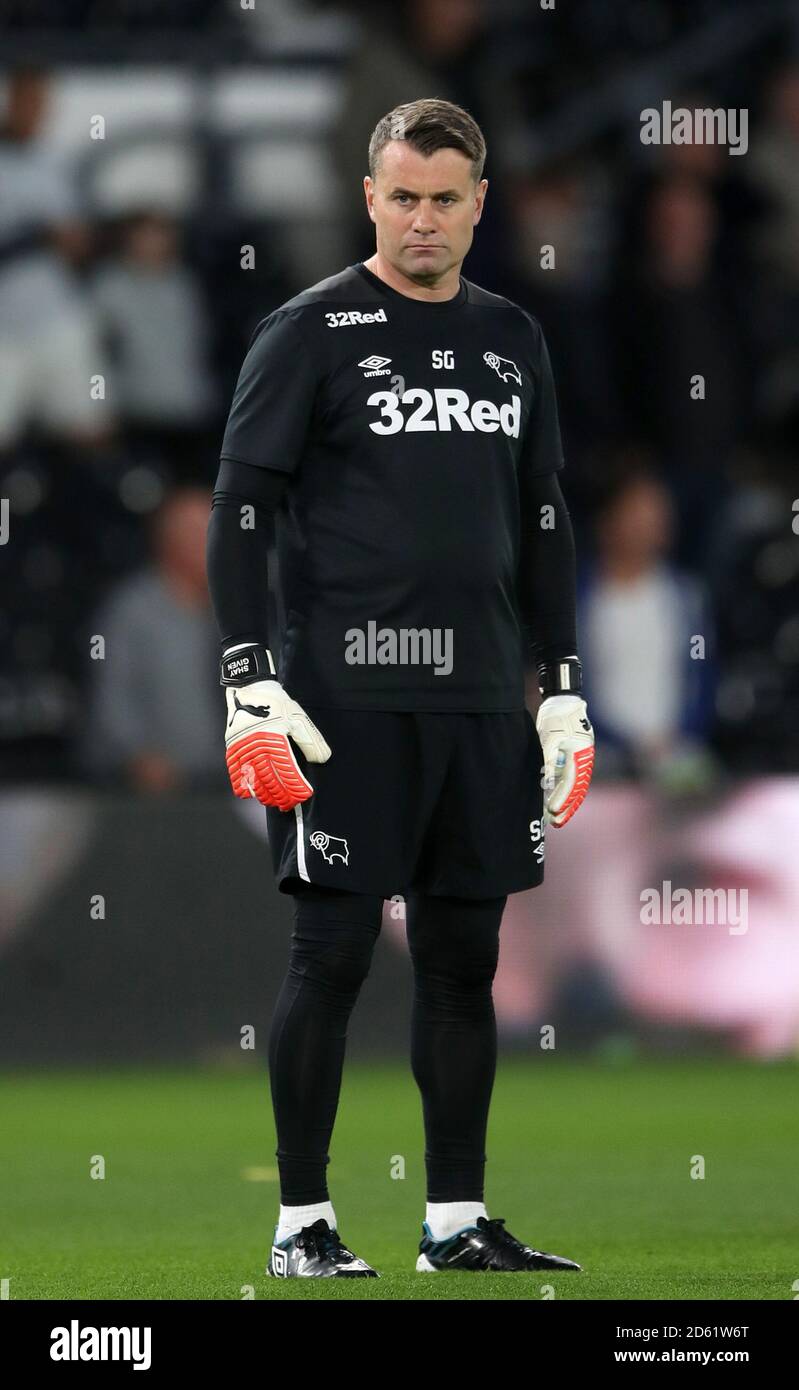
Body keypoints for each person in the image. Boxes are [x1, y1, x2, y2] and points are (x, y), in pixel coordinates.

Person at [206, 98, 594, 1278]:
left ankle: (453, 1223)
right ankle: (302, 1225)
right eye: (403, 196)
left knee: (463, 962)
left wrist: (561, 685)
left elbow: (544, 520)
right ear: (368, 197)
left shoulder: (513, 337)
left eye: (445, 199)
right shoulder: (308, 330)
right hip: (345, 704)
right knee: (328, 953)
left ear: (481, 206)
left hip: (481, 703)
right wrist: (246, 678)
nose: (423, 219)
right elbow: (238, 509)